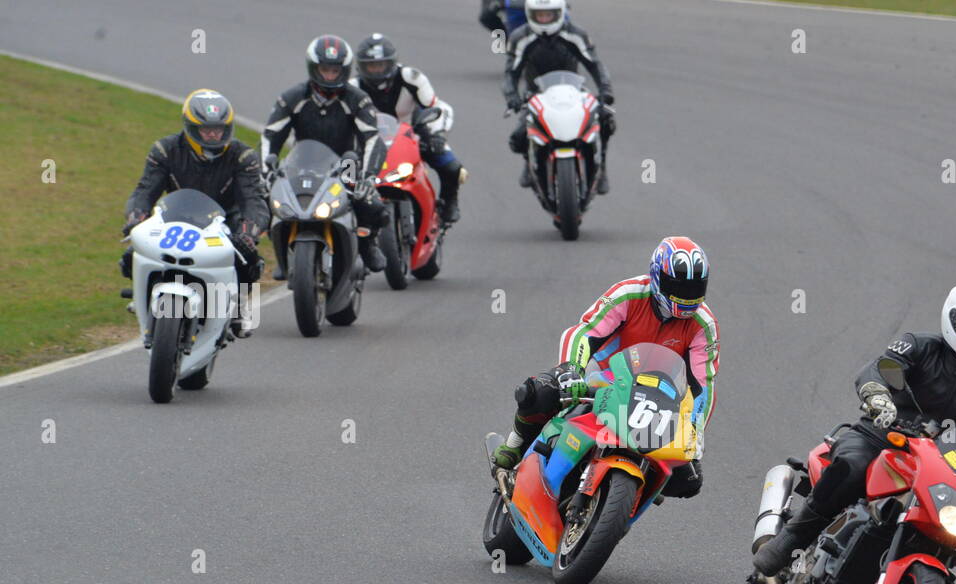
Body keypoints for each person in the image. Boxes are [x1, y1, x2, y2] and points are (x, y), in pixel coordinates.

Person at [753, 280, 956, 575]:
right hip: (882, 437)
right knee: (850, 468)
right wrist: (877, 395)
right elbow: (878, 368)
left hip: (941, 462)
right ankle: (790, 541)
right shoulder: (920, 346)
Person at [491, 237, 718, 498]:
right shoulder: (628, 293)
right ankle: (516, 445)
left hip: (657, 399)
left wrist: (694, 429)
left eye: (694, 288)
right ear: (656, 276)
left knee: (688, 481)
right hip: (602, 376)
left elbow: (705, 384)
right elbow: (584, 332)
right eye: (679, 287)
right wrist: (571, 369)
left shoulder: (704, 324)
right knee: (539, 391)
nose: (687, 297)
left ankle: (622, 500)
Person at [121, 89, 268, 338]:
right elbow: (145, 191)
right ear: (191, 127)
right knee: (130, 254)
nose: (213, 134)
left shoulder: (243, 156)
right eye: (206, 130)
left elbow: (253, 200)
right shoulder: (164, 150)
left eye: (219, 129)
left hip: (224, 221)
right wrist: (137, 217)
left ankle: (239, 305)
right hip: (176, 215)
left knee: (249, 258)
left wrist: (248, 232)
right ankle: (141, 294)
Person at [261, 35, 389, 274]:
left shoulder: (357, 99)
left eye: (335, 70)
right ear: (314, 68)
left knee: (372, 203)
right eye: (325, 69)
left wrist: (369, 177)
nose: (330, 75)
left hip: (345, 168)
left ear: (344, 70)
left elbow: (373, 138)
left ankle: (368, 243)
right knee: (267, 198)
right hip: (301, 165)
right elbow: (270, 136)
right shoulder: (292, 97)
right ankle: (282, 253)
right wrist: (267, 173)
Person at [503, 0, 614, 194]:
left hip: (575, 90)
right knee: (519, 138)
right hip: (536, 95)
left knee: (605, 119)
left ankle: (601, 167)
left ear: (560, 13)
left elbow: (595, 65)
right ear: (530, 14)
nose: (544, 19)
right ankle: (529, 161)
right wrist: (512, 96)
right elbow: (510, 74)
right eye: (540, 15)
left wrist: (605, 90)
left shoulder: (576, 34)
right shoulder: (520, 37)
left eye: (549, 15)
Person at [353, 33, 466, 224]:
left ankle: (449, 202)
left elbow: (437, 107)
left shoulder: (412, 78)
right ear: (361, 66)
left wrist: (436, 135)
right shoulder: (352, 87)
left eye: (380, 65)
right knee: (341, 175)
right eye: (371, 66)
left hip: (413, 138)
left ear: (391, 63)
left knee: (453, 169)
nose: (376, 71)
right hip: (369, 143)